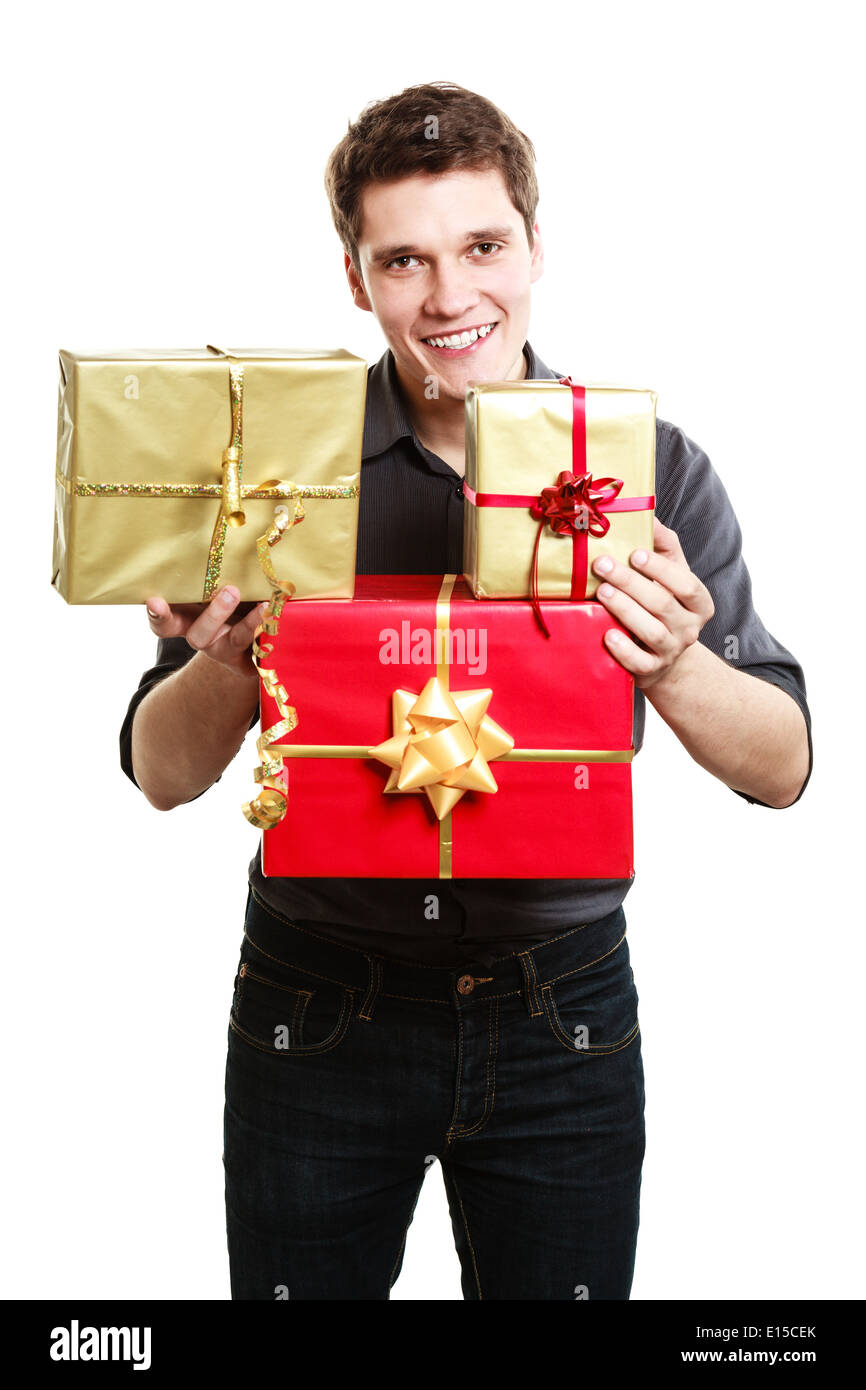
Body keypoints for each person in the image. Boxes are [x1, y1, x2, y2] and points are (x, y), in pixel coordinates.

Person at [119, 82, 812, 1301]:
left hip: (562, 1010)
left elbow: (782, 767)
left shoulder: (645, 465)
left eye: (481, 246)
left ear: (534, 247)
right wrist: (228, 657)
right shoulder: (280, 465)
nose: (449, 298)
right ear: (355, 278)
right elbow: (163, 775)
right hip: (316, 1003)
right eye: (404, 261)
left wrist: (671, 660)